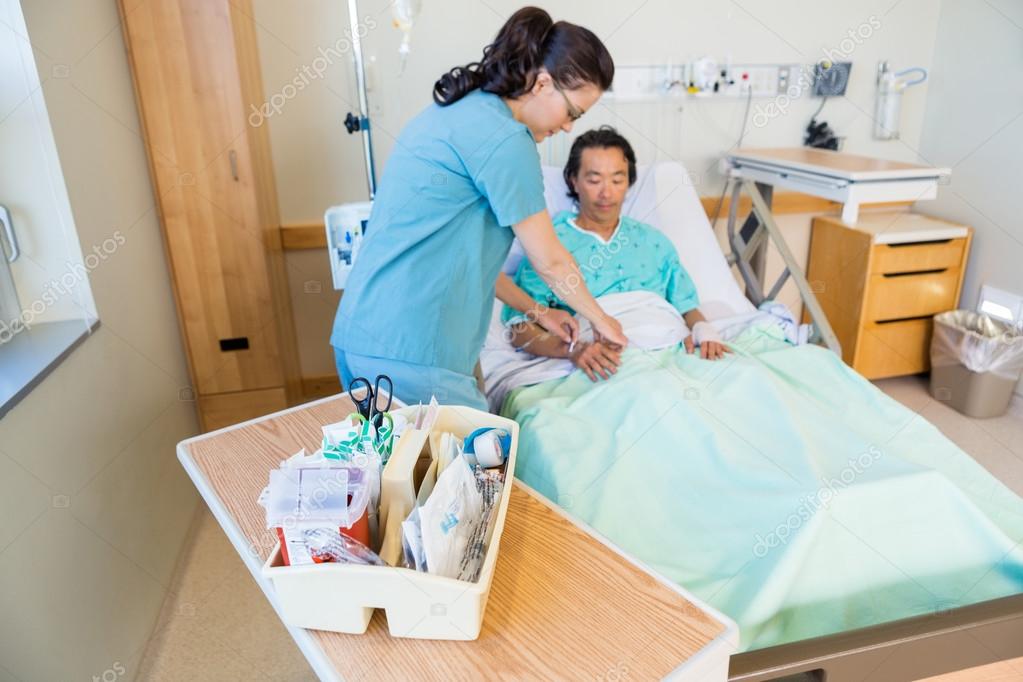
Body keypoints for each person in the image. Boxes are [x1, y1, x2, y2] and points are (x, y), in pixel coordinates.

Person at [330, 7, 627, 411]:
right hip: (414, 352)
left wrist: (539, 312)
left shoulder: (456, 110)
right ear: (542, 84)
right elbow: (552, 262)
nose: (568, 126)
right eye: (572, 112)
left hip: (363, 339)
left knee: (405, 472)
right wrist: (603, 321)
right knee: (476, 471)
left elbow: (463, 259)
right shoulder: (507, 140)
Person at [502, 126, 729, 382]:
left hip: (672, 348)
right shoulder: (547, 242)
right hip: (602, 358)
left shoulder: (653, 241)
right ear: (573, 180)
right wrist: (571, 350)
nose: (606, 193)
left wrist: (703, 329)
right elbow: (519, 327)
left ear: (629, 183)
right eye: (594, 180)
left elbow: (686, 306)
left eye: (617, 180)